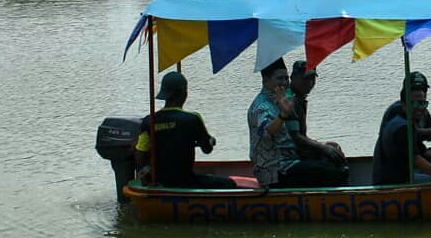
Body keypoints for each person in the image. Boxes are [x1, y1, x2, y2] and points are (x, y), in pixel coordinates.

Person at [248, 57, 348, 189]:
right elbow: (266, 130)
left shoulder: (279, 99)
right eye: (279, 78)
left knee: (331, 161)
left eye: (285, 78)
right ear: (266, 80)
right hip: (275, 171)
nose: (284, 83)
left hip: (289, 162)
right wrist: (283, 115)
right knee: (332, 172)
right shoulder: (262, 106)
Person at [134, 71, 237, 189]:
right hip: (185, 181)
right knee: (229, 183)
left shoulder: (149, 121)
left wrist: (144, 171)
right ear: (184, 92)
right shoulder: (192, 119)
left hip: (159, 180)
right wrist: (210, 140)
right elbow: (207, 149)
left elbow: (140, 153)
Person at [371, 71, 431, 184]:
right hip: (395, 178)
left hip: (407, 165)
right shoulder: (399, 120)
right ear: (404, 103)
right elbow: (415, 155)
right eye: (414, 103)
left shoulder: (421, 111)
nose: (418, 107)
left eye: (422, 102)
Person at [285, 59, 348, 174]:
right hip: (288, 161)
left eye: (312, 78)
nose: (309, 83)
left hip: (296, 154)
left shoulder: (298, 98)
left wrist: (323, 145)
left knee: (334, 152)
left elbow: (300, 136)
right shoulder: (290, 100)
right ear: (293, 77)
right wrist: (323, 148)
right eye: (305, 78)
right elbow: (295, 137)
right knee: (337, 171)